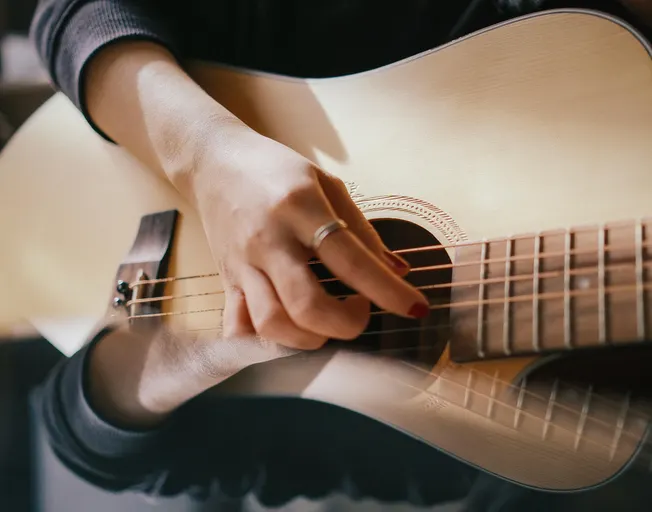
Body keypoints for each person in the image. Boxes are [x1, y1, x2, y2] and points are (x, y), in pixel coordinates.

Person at [29, 0, 652, 510]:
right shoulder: (452, 27)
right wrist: (205, 154)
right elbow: (71, 15)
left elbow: (99, 447)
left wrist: (192, 348)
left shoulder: (538, 464)